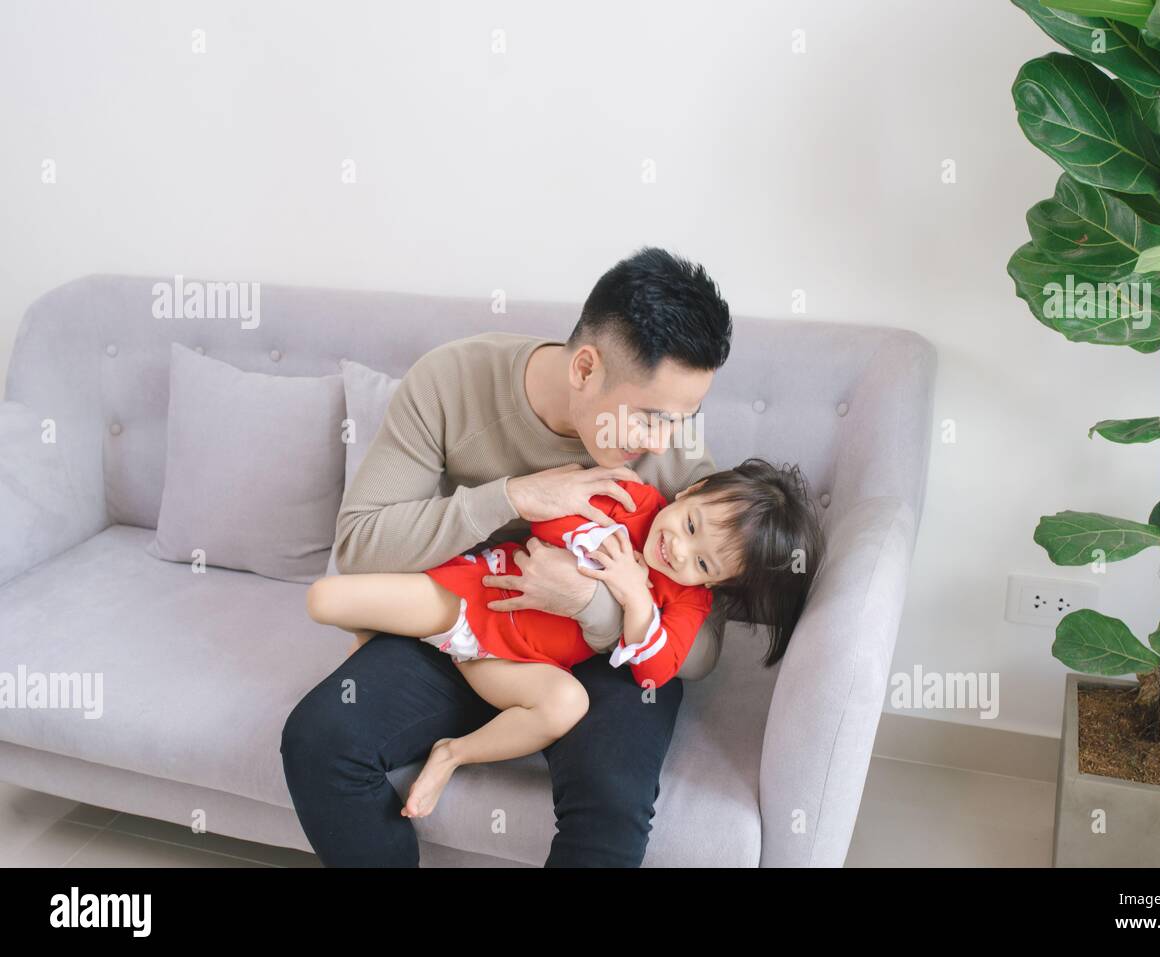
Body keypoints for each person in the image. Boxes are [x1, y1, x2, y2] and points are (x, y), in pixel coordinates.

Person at [280, 246, 735, 866]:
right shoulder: (451, 382)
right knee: (321, 741)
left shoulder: (680, 457)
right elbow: (360, 545)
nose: (664, 441)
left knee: (610, 799)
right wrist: (512, 497)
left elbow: (704, 646)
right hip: (480, 611)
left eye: (682, 420)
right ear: (584, 369)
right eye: (650, 419)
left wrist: (590, 606)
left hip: (609, 656)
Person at [303, 461, 822, 820]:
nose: (680, 551)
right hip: (474, 599)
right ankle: (377, 638)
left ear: (714, 583)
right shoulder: (635, 502)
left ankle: (452, 755)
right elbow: (550, 514)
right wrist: (602, 552)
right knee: (323, 600)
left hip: (511, 662)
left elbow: (656, 671)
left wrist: (634, 596)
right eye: (691, 525)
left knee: (566, 703)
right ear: (691, 490)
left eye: (703, 563)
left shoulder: (687, 602)